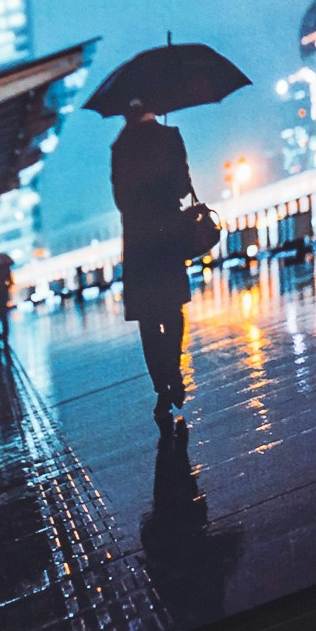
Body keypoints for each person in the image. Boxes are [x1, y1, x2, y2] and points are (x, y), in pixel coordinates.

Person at [112, 108, 200, 421]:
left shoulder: (120, 147)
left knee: (148, 321)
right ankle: (174, 371)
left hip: (138, 242)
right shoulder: (169, 137)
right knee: (172, 310)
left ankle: (161, 385)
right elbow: (181, 187)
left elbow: (120, 200)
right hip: (168, 236)